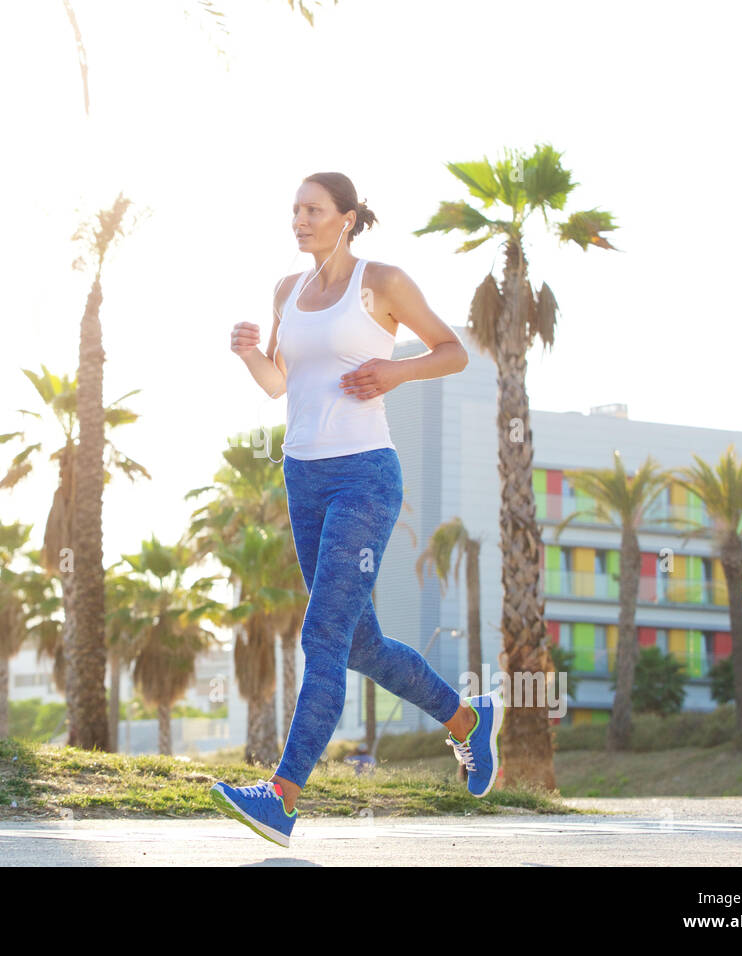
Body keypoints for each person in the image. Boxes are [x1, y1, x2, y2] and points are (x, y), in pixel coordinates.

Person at [208, 172, 504, 849]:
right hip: (303, 477)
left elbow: (453, 351)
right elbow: (282, 383)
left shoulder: (383, 282)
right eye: (294, 210)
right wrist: (252, 353)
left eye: (313, 210)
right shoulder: (289, 291)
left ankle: (282, 796)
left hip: (366, 477)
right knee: (359, 643)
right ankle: (466, 720)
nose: (300, 220)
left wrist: (394, 372)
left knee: (322, 637)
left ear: (346, 218)